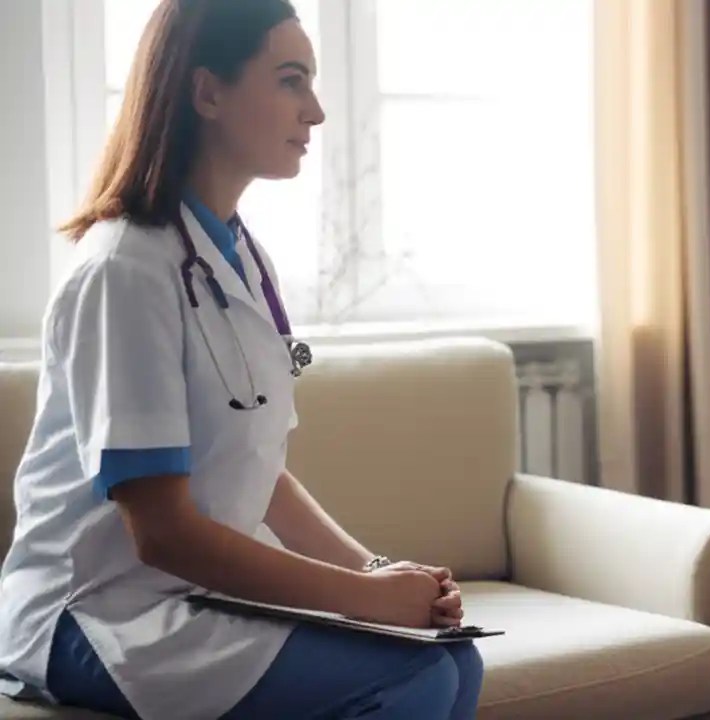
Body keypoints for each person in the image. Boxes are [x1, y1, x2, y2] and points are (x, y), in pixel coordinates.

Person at [0, 1, 483, 718]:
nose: (315, 111)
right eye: (291, 81)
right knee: (412, 676)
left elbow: (258, 468)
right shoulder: (125, 269)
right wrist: (369, 599)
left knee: (452, 659)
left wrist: (377, 568)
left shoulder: (239, 259)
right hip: (94, 613)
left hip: (186, 598)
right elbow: (162, 532)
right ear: (207, 93)